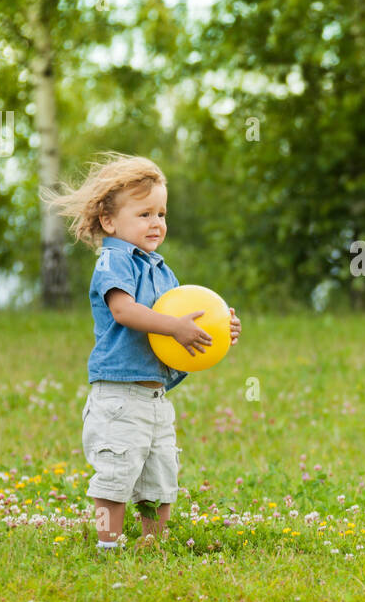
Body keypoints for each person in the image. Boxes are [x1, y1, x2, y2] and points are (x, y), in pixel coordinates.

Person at [41, 152, 241, 551]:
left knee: (161, 478)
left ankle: (153, 543)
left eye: (162, 213)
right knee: (113, 478)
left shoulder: (161, 270)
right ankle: (107, 545)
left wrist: (218, 329)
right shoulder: (114, 261)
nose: (157, 223)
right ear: (109, 221)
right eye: (145, 214)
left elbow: (180, 319)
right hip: (118, 394)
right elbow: (124, 310)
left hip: (154, 395)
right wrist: (177, 327)